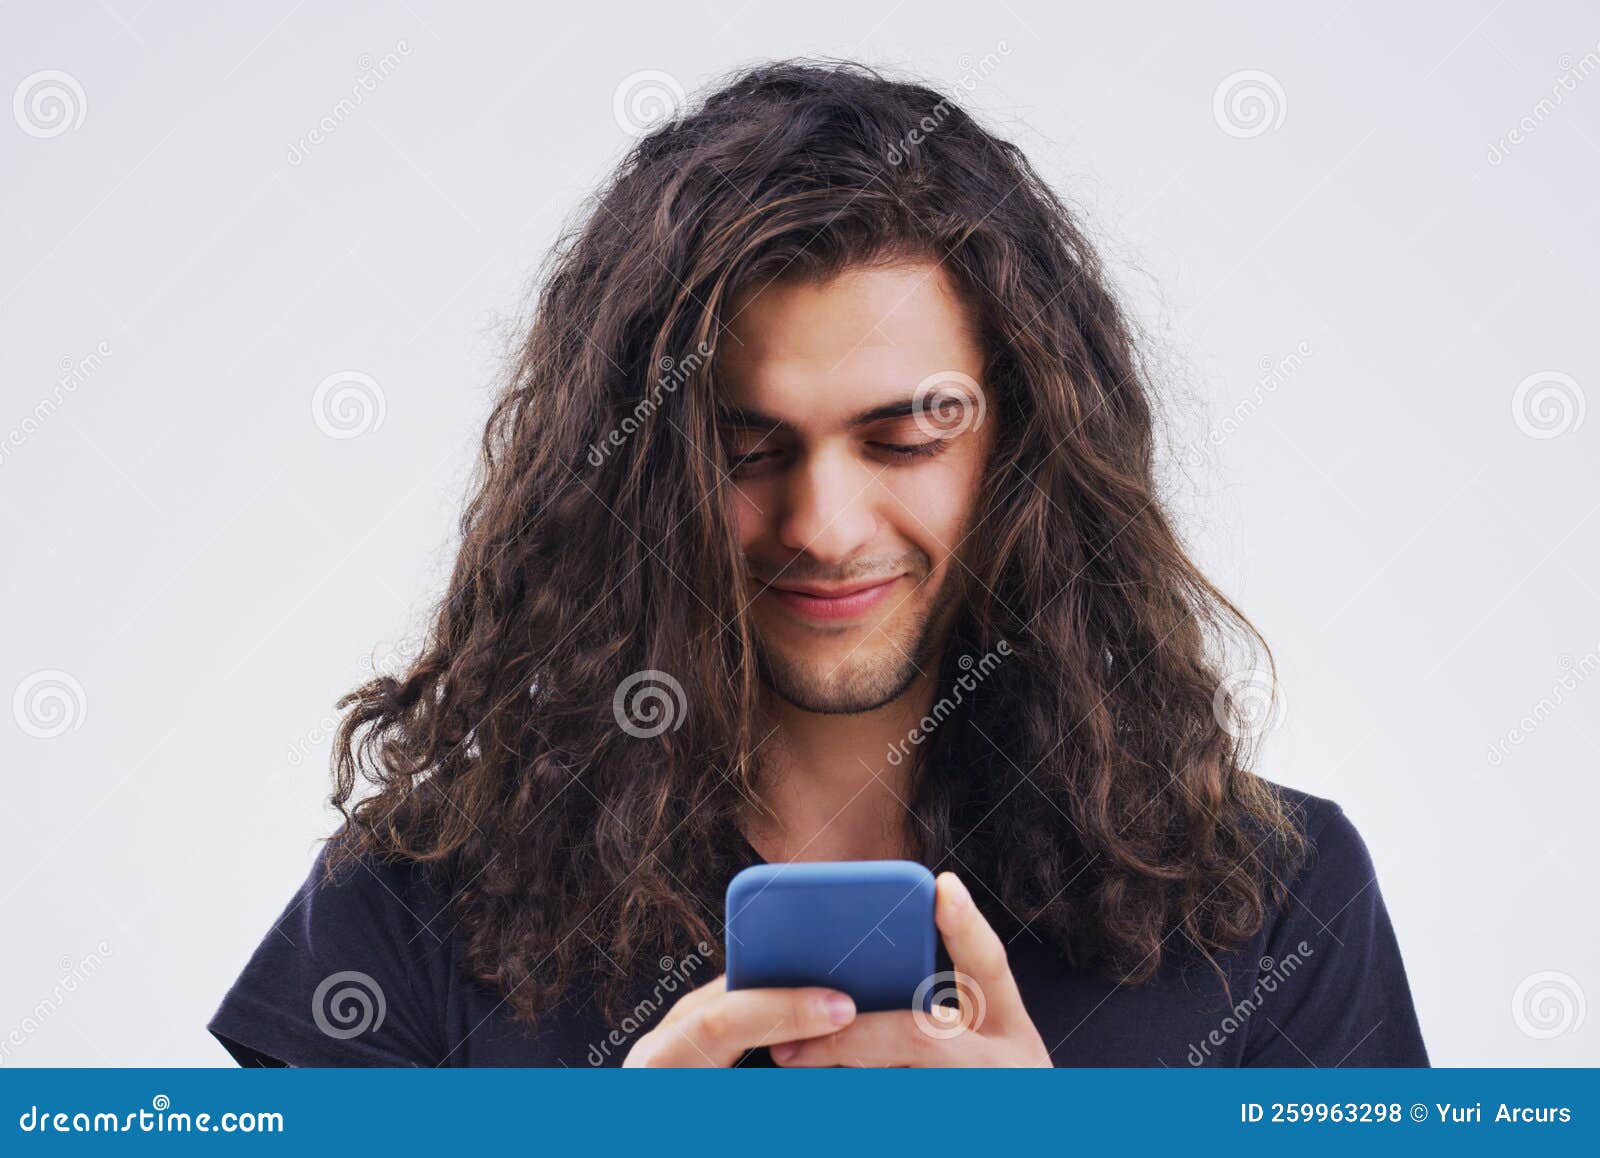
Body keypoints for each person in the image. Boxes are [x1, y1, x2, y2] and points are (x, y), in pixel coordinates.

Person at [208, 59, 1427, 1067]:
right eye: (744, 451)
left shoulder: (1275, 905)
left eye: (904, 438)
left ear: (1023, 445)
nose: (827, 525)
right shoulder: (412, 910)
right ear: (639, 470)